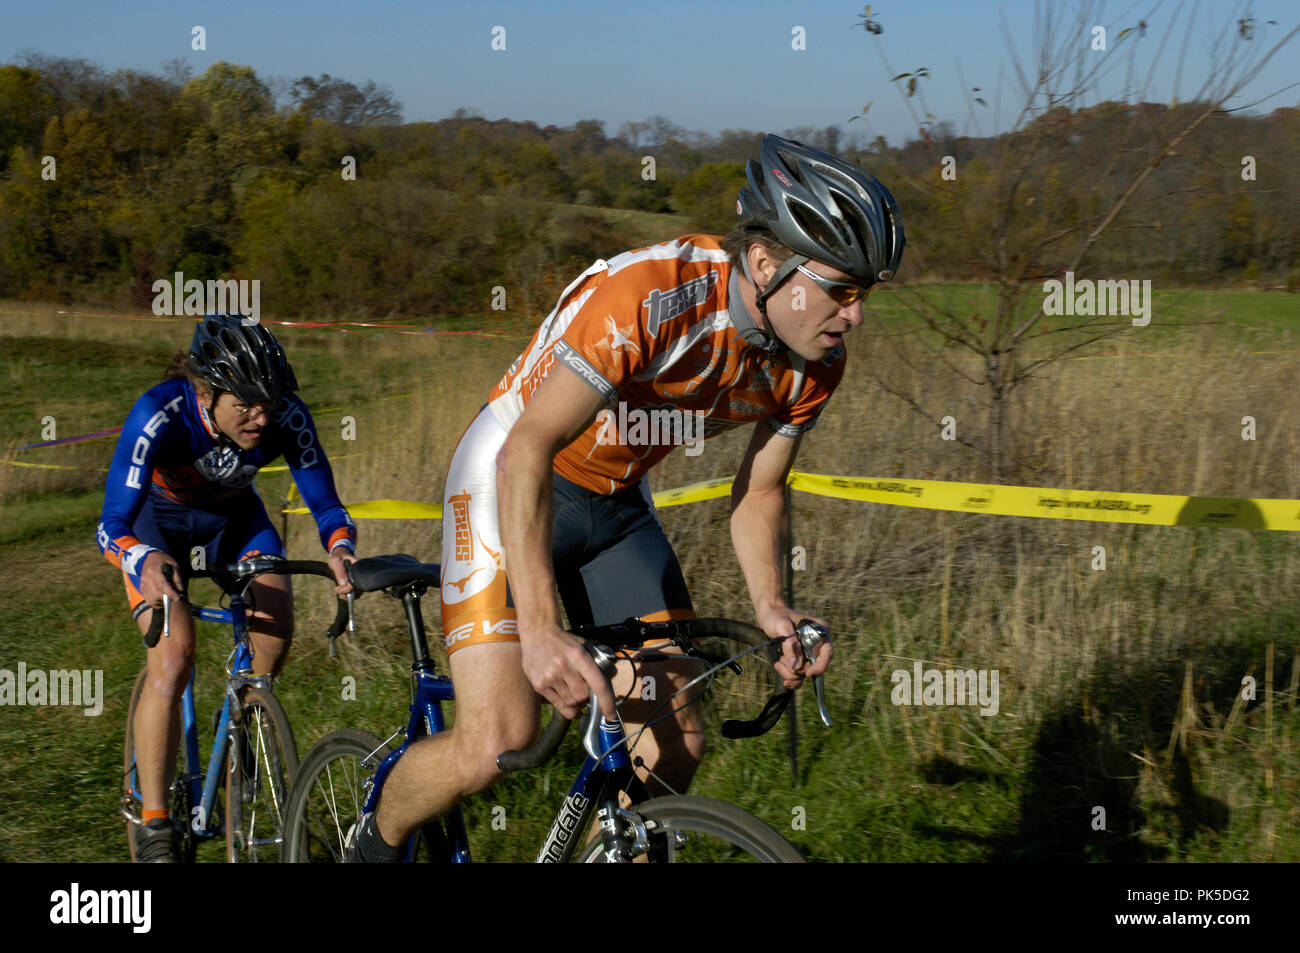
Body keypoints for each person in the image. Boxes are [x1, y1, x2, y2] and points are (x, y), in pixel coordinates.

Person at [349, 133, 904, 861]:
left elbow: (761, 488)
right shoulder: (647, 296)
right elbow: (527, 449)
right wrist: (542, 628)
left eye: (866, 294)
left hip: (614, 502)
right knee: (497, 741)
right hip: (512, 475)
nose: (854, 315)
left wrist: (771, 604)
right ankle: (372, 839)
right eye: (842, 288)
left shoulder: (814, 363)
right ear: (768, 264)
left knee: (674, 740)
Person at [98, 312, 358, 862]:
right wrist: (140, 560)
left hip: (233, 523)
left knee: (276, 623)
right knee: (174, 655)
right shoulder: (159, 413)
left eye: (268, 402)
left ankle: (241, 717)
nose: (262, 418)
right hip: (156, 526)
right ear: (206, 391)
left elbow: (327, 505)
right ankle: (154, 825)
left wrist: (340, 548)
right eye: (245, 404)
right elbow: (110, 524)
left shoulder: (285, 413)